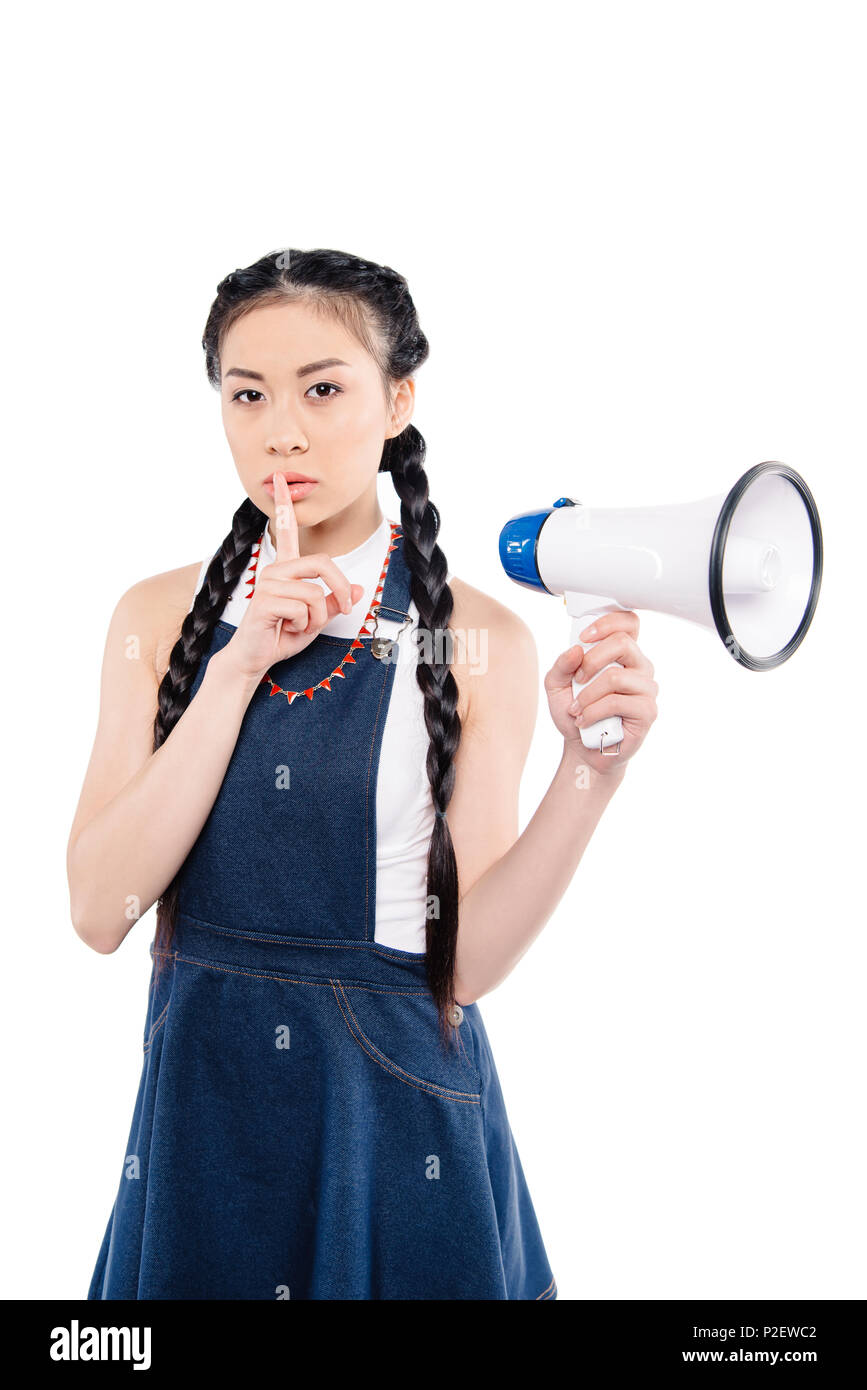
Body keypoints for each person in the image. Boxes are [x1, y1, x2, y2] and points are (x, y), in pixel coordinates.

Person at [69, 246, 658, 1300]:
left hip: (395, 1118)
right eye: (247, 393)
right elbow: (99, 907)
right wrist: (239, 664)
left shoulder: (473, 639)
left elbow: (466, 966)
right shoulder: (156, 621)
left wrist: (590, 771)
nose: (281, 429)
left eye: (324, 388)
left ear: (398, 402)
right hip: (202, 1115)